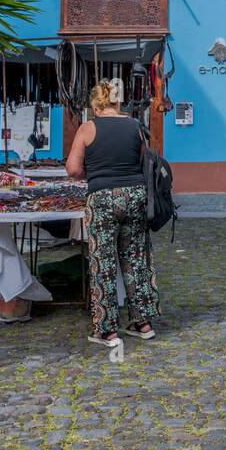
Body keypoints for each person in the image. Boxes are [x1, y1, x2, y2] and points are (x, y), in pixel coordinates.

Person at [66, 80, 160, 347]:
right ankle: (142, 322)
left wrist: (93, 173)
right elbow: (144, 160)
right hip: (135, 196)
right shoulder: (135, 126)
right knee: (136, 258)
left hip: (103, 198)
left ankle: (107, 330)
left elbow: (73, 170)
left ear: (95, 105)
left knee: (103, 262)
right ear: (118, 103)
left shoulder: (88, 128)